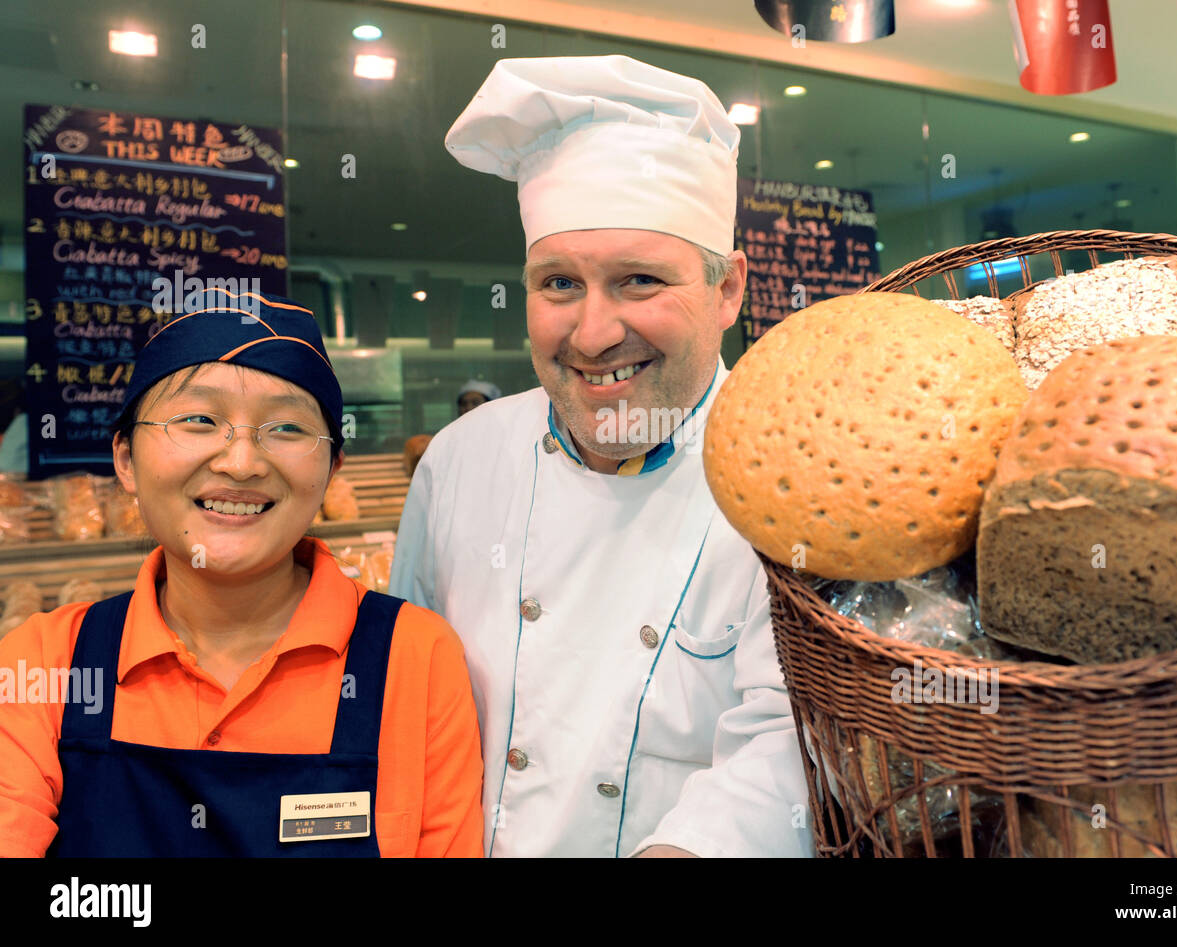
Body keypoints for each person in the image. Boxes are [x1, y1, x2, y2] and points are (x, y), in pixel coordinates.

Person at [391, 55, 813, 857]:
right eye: (558, 284)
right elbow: (411, 693)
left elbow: (793, 740)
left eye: (639, 280)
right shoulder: (460, 460)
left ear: (728, 290)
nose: (592, 334)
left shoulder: (796, 472)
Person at [0, 290, 483, 857]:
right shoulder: (47, 661)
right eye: (199, 420)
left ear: (332, 469)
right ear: (126, 460)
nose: (242, 462)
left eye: (287, 429)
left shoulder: (414, 656)